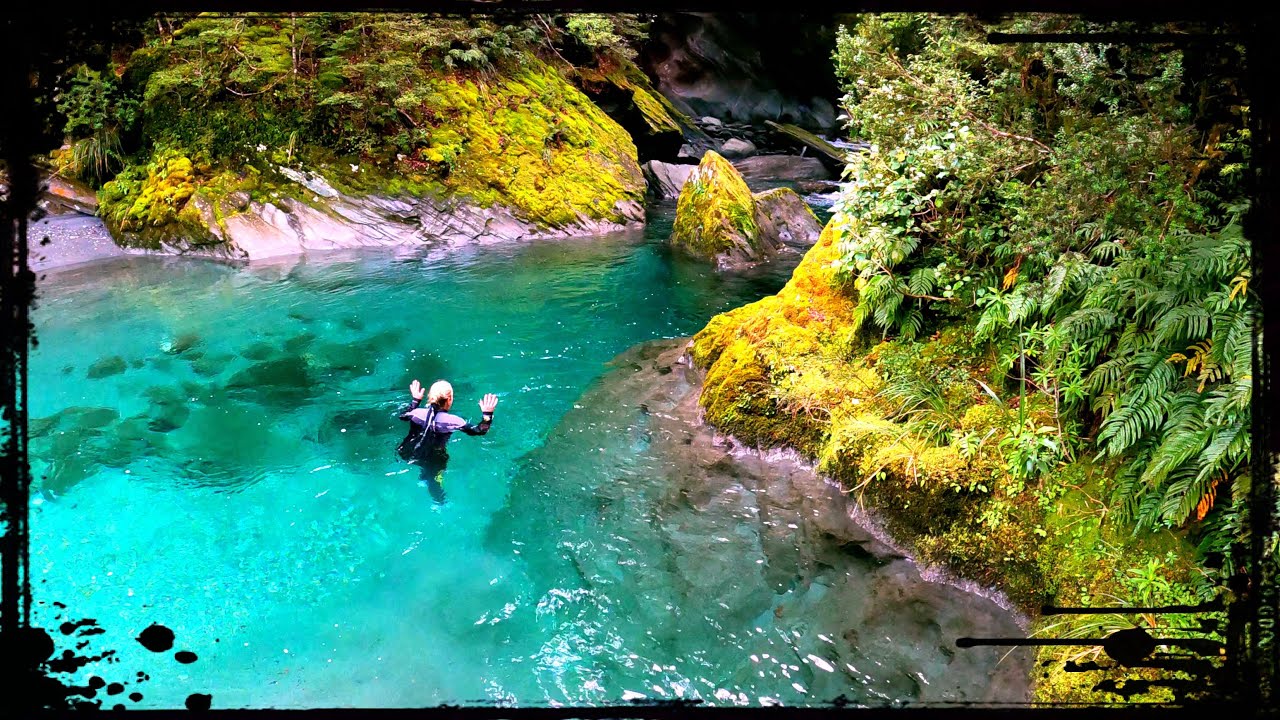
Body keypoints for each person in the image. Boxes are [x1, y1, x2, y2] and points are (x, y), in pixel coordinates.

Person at [397, 379, 498, 504]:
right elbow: (480, 430)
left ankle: (424, 477)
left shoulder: (416, 413)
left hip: (410, 452)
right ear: (449, 400)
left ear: (429, 397)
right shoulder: (453, 421)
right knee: (435, 478)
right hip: (434, 459)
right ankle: (439, 502)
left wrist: (415, 400)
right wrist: (487, 415)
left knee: (423, 461)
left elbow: (402, 415)